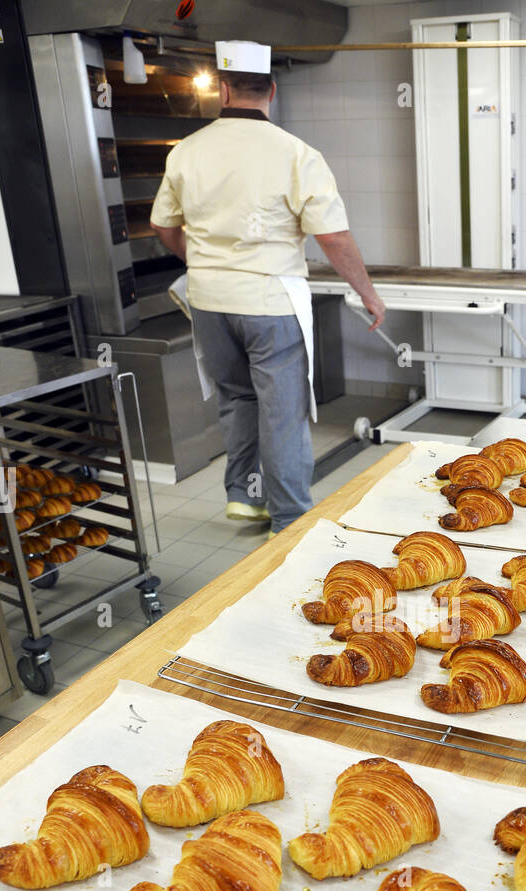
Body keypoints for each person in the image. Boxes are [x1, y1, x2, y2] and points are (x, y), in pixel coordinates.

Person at [150, 39, 385, 535]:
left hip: (209, 302)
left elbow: (164, 227)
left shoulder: (186, 152)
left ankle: (245, 495)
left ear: (222, 89)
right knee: (283, 413)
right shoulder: (296, 154)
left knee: (236, 398)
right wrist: (366, 293)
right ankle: (290, 518)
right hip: (270, 303)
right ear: (271, 92)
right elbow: (334, 237)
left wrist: (204, 263)